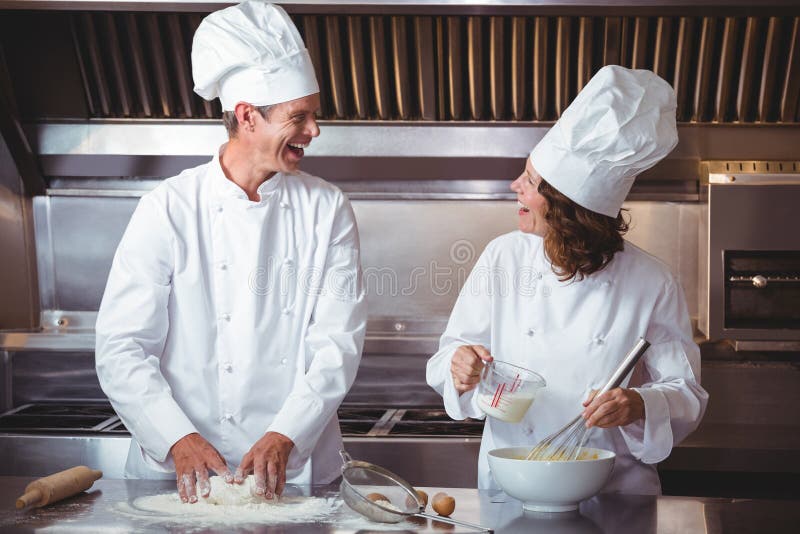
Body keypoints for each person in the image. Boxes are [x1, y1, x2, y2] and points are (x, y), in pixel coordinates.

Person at [95, 1, 366, 503]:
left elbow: (337, 342)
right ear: (247, 117)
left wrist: (287, 433)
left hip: (296, 470)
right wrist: (175, 436)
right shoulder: (169, 208)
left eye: (313, 114)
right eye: (299, 117)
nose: (314, 130)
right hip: (178, 474)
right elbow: (122, 346)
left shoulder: (327, 209)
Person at [426, 65, 708, 493]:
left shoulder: (652, 281)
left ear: (566, 205)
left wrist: (638, 403)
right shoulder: (503, 257)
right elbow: (448, 357)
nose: (514, 185)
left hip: (612, 491)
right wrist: (459, 366)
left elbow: (686, 393)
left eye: (531, 180)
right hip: (512, 484)